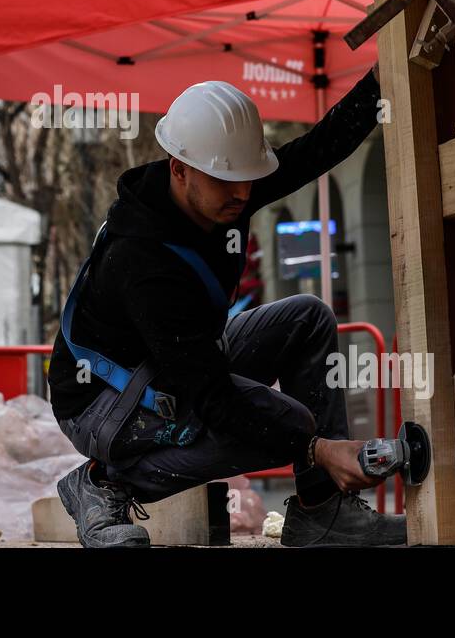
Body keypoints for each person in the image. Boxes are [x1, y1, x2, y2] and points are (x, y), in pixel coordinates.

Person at [50, 67, 407, 548]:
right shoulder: (142, 259)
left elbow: (319, 148)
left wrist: (384, 76)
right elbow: (211, 397)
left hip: (173, 363)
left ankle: (323, 514)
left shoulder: (222, 181)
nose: (243, 194)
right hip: (99, 400)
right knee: (279, 424)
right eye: (227, 182)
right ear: (179, 167)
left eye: (247, 178)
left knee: (307, 318)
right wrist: (317, 448)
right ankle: (103, 484)